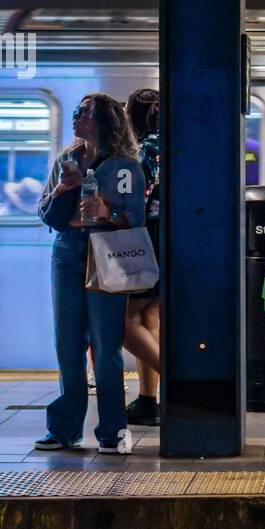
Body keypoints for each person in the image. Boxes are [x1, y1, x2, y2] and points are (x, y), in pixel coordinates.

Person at [36, 93, 145, 453]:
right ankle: (65, 427)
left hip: (107, 254)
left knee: (105, 343)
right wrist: (62, 190)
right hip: (67, 252)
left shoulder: (125, 167)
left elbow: (136, 217)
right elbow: (44, 210)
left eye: (84, 112)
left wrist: (107, 213)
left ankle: (112, 430)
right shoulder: (66, 159)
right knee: (67, 341)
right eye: (77, 111)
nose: (76, 117)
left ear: (103, 120)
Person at [122, 88, 162, 426]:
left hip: (144, 240)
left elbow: (139, 199)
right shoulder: (177, 142)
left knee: (122, 322)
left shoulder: (143, 150)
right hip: (168, 242)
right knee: (151, 318)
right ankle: (148, 400)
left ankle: (177, 383)